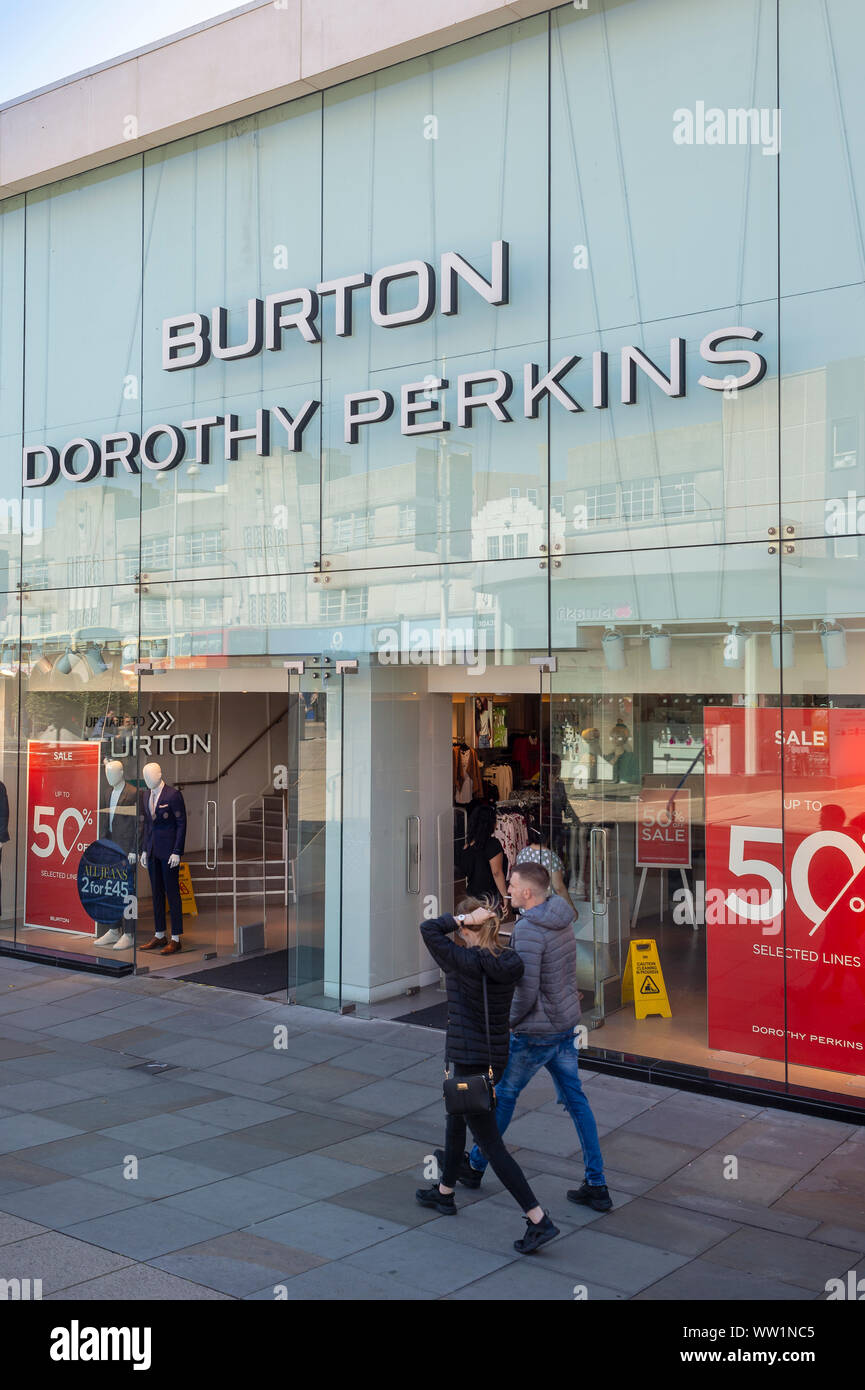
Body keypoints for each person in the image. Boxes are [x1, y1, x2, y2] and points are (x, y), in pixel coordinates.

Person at [457, 860, 612, 1213]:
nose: (507, 890)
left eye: (511, 884)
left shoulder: (527, 931)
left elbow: (525, 991)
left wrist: (507, 1023)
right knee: (577, 1103)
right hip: (564, 1026)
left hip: (535, 1032)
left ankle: (477, 1164)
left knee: (504, 1096)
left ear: (527, 892)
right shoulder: (561, 918)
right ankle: (597, 1184)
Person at [417, 899, 560, 1253]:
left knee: (491, 1144)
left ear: (469, 928)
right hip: (492, 1057)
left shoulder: (464, 962)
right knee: (456, 1118)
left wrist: (464, 916)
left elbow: (428, 928)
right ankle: (446, 1193)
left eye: (463, 925)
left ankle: (538, 1219)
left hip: (468, 1058)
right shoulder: (509, 961)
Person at [515, 824, 576, 912]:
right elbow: (558, 887)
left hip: (526, 906)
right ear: (548, 837)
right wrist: (571, 907)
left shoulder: (522, 853)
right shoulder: (550, 857)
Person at [459, 802, 508, 909]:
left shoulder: (467, 845)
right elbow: (497, 872)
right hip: (488, 898)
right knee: (490, 925)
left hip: (471, 896)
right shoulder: (492, 844)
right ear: (489, 823)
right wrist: (505, 895)